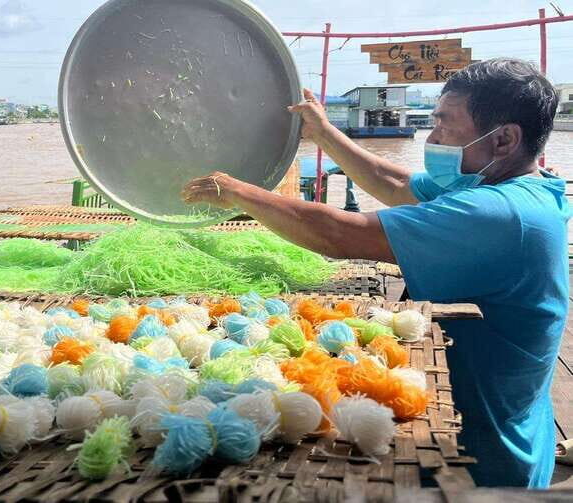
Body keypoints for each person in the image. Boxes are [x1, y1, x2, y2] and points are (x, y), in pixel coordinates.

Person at [182, 58, 569, 488]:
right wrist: (325, 133)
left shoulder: (500, 213)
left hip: (479, 456)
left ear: (503, 139)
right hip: (509, 422)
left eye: (445, 124)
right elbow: (393, 180)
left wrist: (240, 193)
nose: (432, 136)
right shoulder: (508, 184)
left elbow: (339, 234)